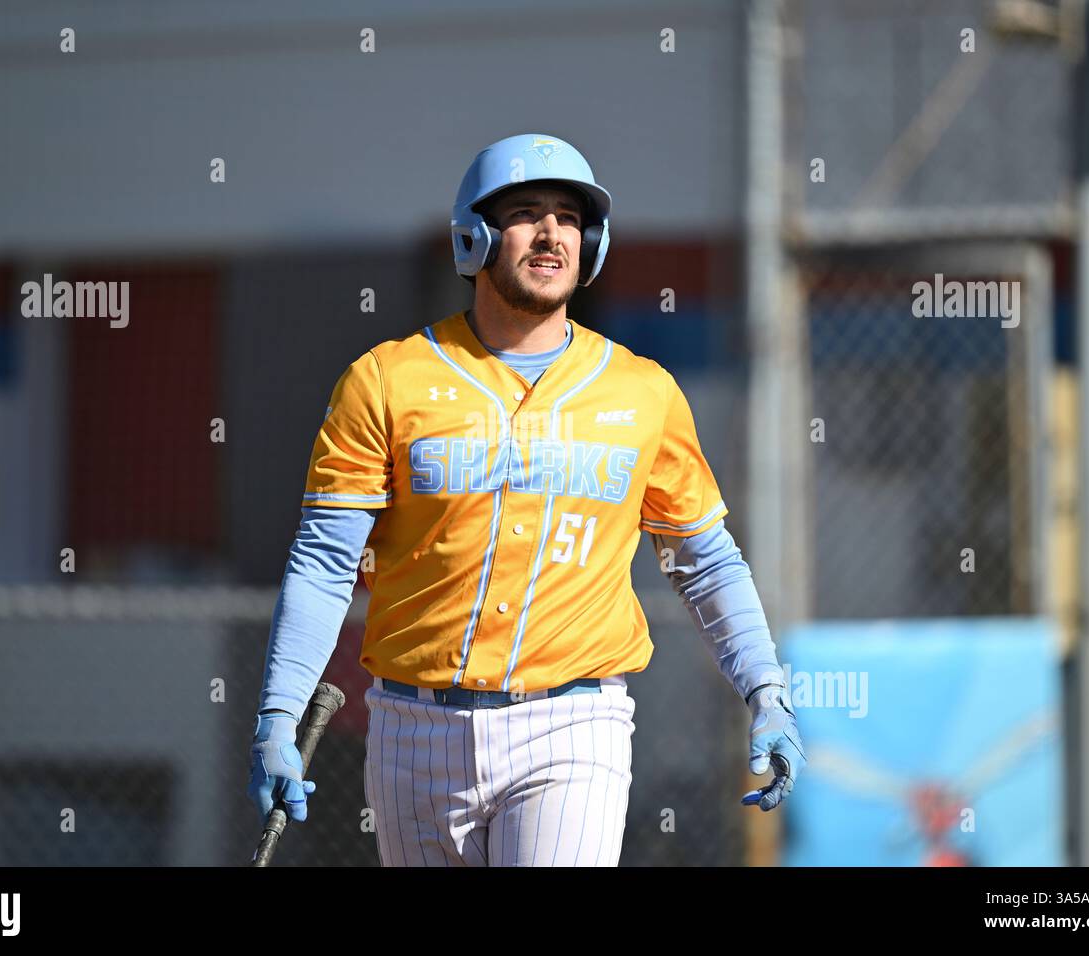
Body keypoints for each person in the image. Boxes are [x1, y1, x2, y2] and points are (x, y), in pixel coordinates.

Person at [248, 133, 805, 866]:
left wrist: (766, 688)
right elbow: (325, 563)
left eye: (570, 217)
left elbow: (705, 560)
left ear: (592, 243)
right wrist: (278, 715)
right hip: (411, 726)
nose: (551, 233)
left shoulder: (643, 391)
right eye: (526, 213)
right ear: (474, 236)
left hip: (572, 722)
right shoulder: (385, 379)